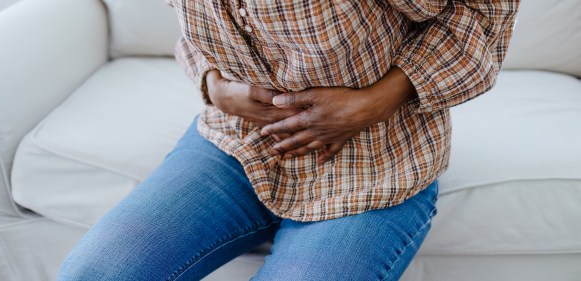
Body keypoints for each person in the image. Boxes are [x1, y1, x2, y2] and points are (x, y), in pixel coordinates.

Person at [58, 0, 519, 280]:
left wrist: (378, 100)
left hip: (376, 164)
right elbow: (192, 29)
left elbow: (481, 13)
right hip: (236, 145)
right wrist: (213, 85)